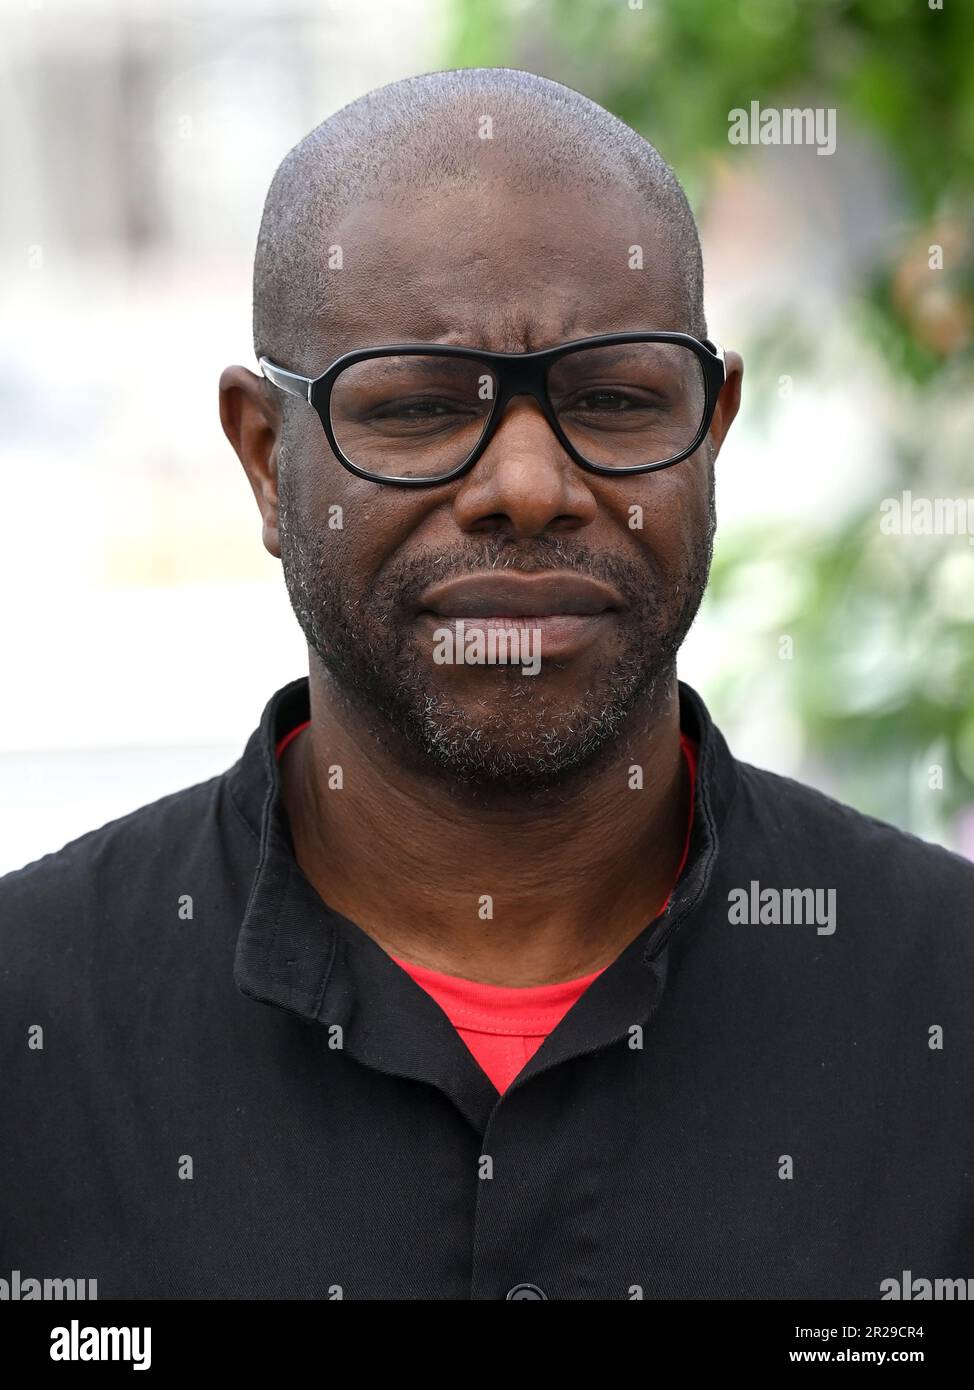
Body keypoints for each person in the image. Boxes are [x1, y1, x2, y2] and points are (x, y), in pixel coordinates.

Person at [2, 67, 971, 1302]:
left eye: (614, 399)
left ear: (710, 430)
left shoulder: (942, 1000)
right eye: (413, 407)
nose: (525, 483)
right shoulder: (32, 1029)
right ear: (263, 459)